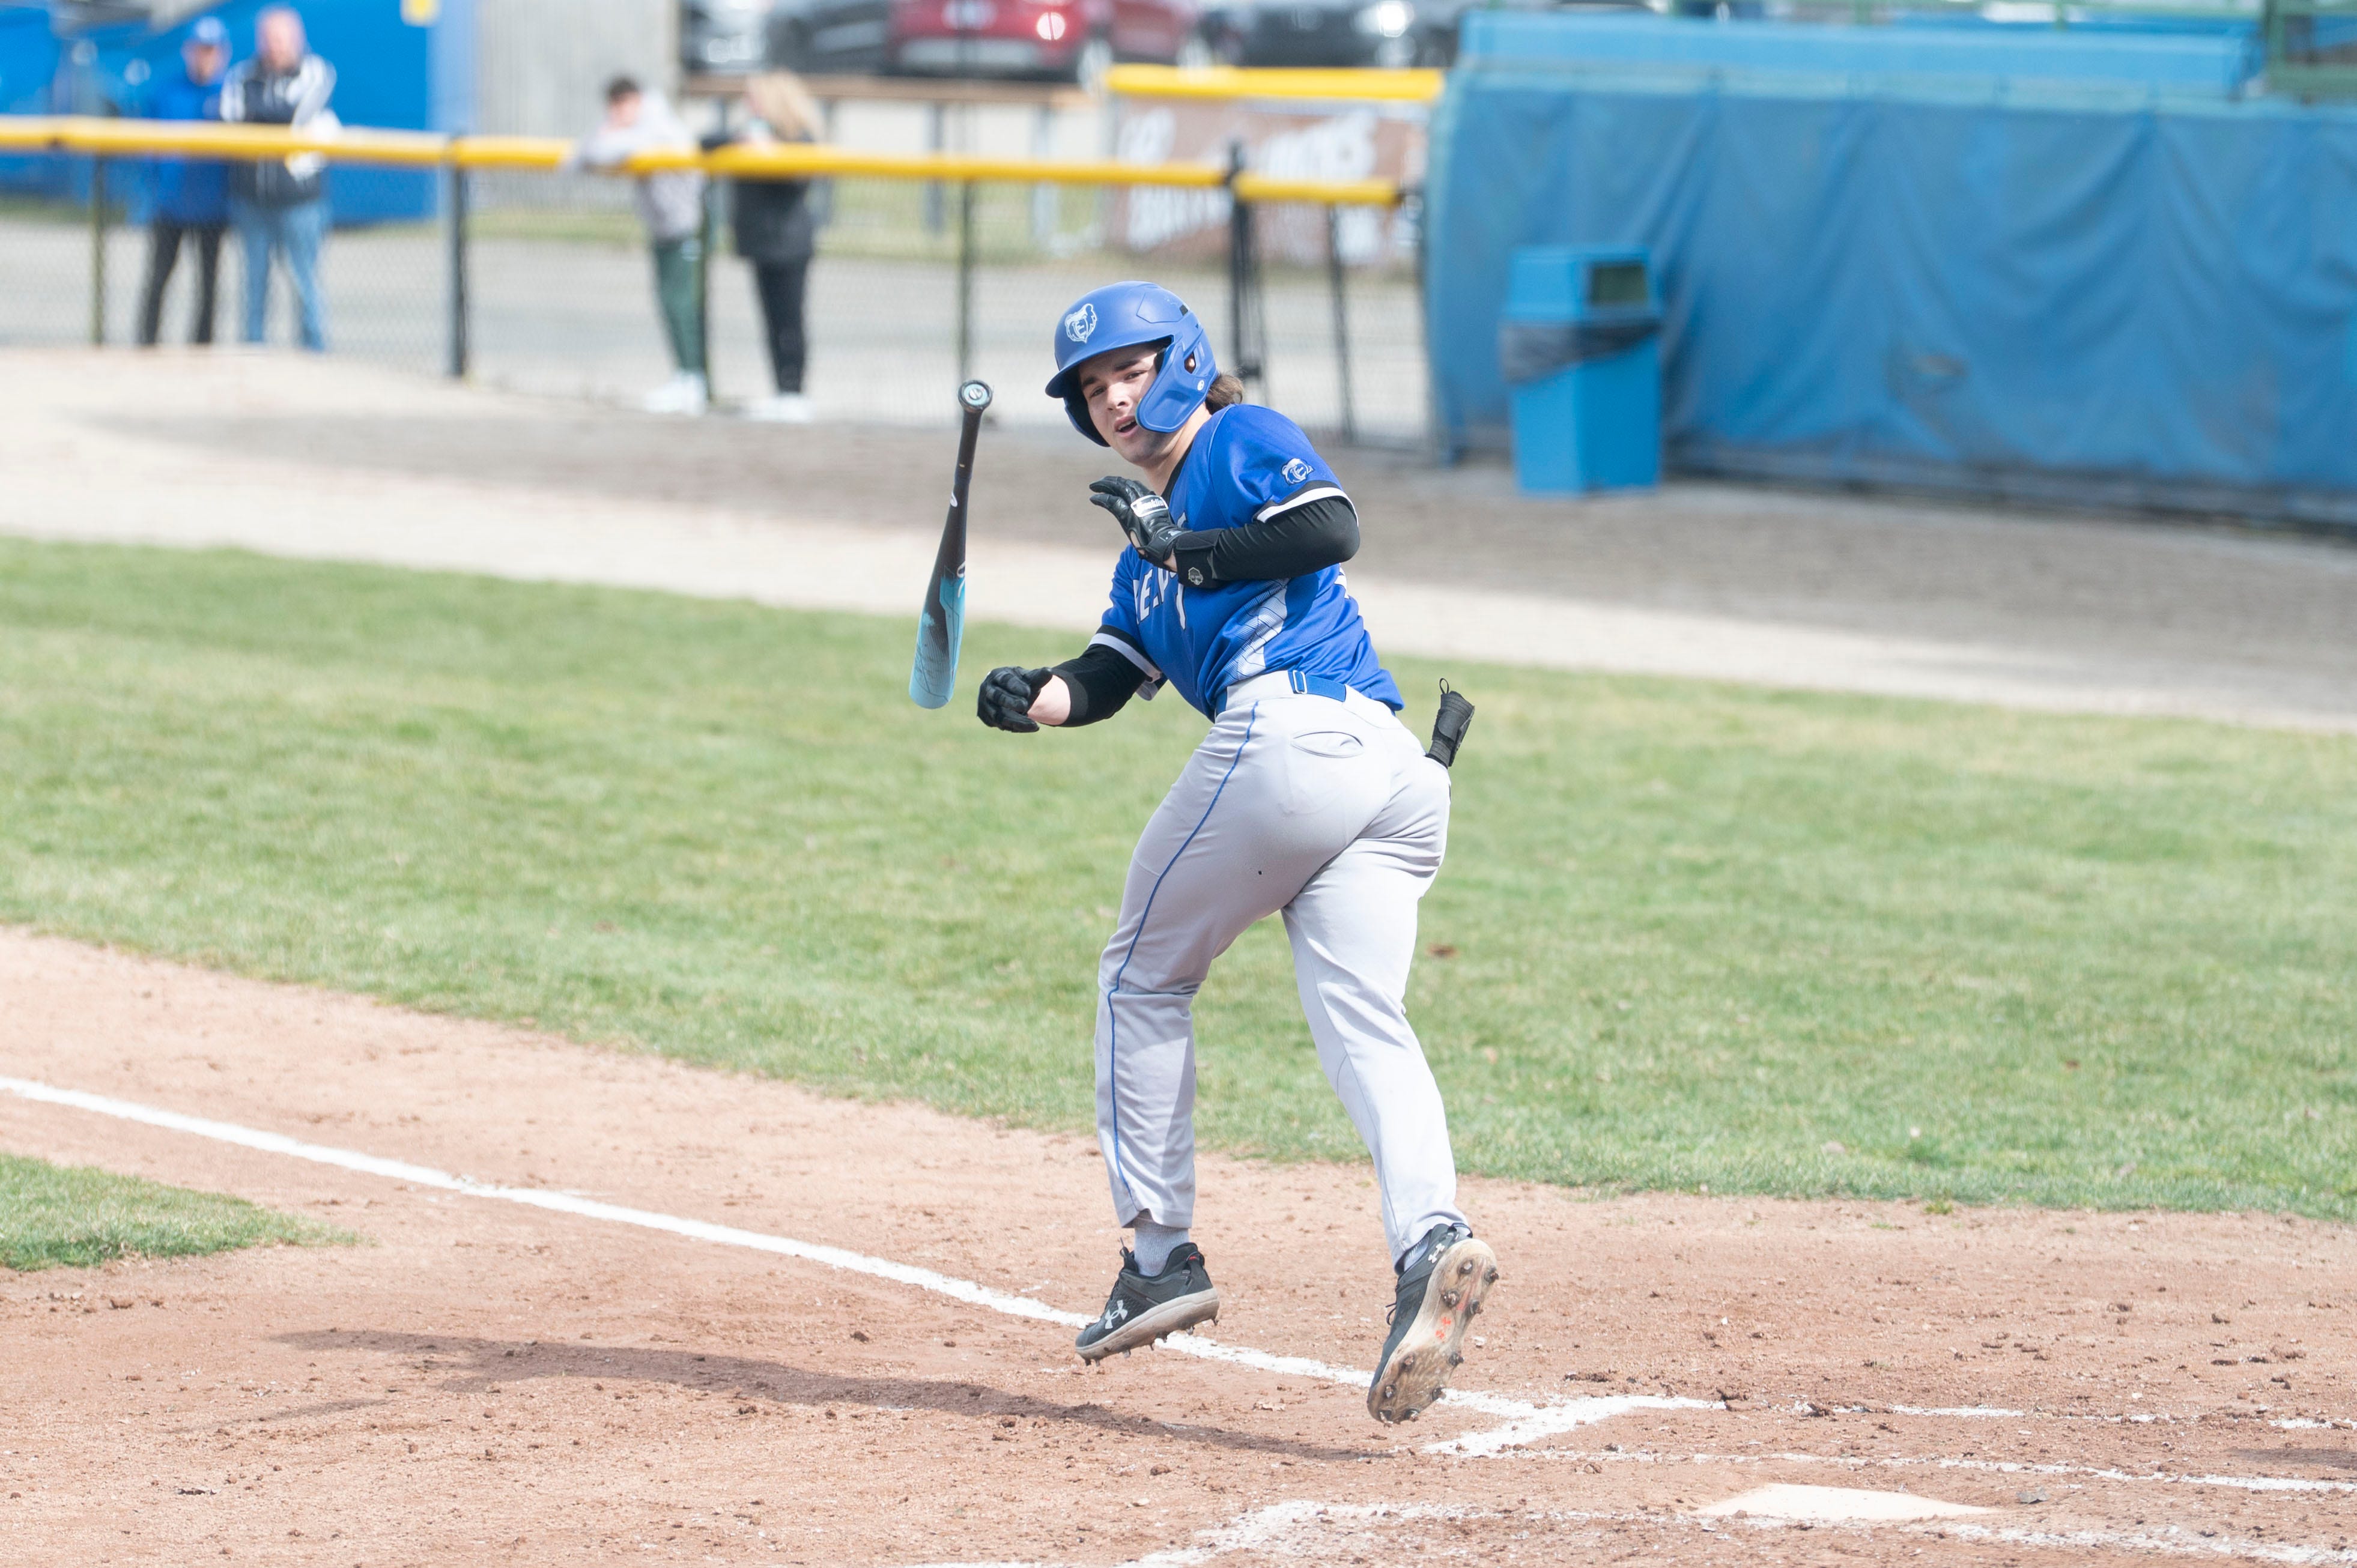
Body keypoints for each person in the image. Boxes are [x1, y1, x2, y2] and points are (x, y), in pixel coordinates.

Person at [972, 282, 1500, 1425]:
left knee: (1140, 975)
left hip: (1303, 742)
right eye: (1092, 388)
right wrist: (1039, 695)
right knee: (1363, 1020)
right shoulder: (1143, 556)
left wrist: (1189, 547)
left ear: (1180, 360)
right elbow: (1112, 667)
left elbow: (1328, 529)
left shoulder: (1236, 437)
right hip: (1385, 778)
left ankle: (1157, 1255)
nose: (1113, 400)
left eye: (1128, 371)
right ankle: (1430, 1239)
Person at [571, 76, 710, 416]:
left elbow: (608, 149)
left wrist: (609, 134)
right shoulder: (634, 128)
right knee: (668, 301)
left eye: (620, 107)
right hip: (664, 227)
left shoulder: (658, 124)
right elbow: (580, 155)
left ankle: (694, 380)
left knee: (682, 303)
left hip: (688, 224)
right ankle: (684, 378)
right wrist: (606, 132)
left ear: (634, 100)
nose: (616, 115)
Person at [219, 6, 336, 352]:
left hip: (299, 201)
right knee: (253, 285)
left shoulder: (316, 71)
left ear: (297, 39)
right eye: (270, 39)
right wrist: (271, 118)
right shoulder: (243, 76)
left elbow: (296, 116)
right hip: (252, 199)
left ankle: (314, 353)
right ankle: (254, 352)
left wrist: (261, 117)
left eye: (282, 39)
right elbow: (232, 118)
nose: (276, 46)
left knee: (305, 283)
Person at [709, 71, 820, 423]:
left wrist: (769, 152)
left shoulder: (798, 137)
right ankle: (780, 392)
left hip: (790, 243)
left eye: (755, 97)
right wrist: (741, 138)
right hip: (759, 243)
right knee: (770, 323)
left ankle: (795, 392)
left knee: (790, 321)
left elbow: (798, 181)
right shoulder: (747, 133)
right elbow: (706, 141)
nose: (749, 104)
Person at [135, 17, 232, 347]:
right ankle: (146, 344)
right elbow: (147, 147)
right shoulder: (166, 91)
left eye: (212, 50)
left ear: (223, 53)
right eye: (200, 49)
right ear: (188, 51)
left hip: (213, 206)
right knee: (158, 278)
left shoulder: (231, 94)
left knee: (208, 285)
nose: (206, 57)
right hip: (171, 204)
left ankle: (202, 347)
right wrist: (154, 189)